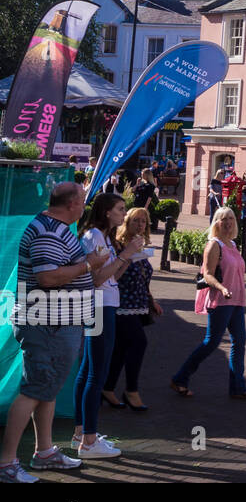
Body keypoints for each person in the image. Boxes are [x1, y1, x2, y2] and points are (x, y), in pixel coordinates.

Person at [1, 184, 104, 482]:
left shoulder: (54, 227)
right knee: (34, 391)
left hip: (54, 322)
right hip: (47, 324)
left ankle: (44, 452)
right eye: (83, 200)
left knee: (45, 390)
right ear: (72, 203)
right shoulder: (49, 231)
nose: (85, 206)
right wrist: (88, 264)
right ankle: (6, 463)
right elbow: (47, 277)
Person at [71, 192, 140, 459]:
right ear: (107, 212)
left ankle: (82, 432)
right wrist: (127, 253)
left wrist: (129, 257)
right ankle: (88, 440)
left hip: (105, 303)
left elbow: (111, 273)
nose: (124, 214)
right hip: (99, 306)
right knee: (96, 372)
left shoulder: (103, 237)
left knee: (89, 368)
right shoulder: (94, 236)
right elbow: (98, 277)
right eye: (120, 209)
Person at [170, 207, 246, 400]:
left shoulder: (233, 244)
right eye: (223, 219)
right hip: (220, 300)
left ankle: (238, 388)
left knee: (239, 343)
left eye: (231, 219)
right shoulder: (214, 245)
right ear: (216, 222)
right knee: (211, 342)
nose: (228, 222)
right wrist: (222, 288)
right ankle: (180, 378)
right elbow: (207, 274)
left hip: (236, 301)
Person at [104, 207, 162, 411]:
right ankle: (131, 390)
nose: (140, 225)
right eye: (136, 220)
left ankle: (108, 387)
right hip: (120, 303)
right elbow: (112, 276)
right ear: (127, 222)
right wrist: (127, 257)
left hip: (137, 304)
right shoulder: (118, 245)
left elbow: (143, 278)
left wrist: (151, 299)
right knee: (139, 342)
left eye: (143, 222)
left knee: (121, 348)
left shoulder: (140, 246)